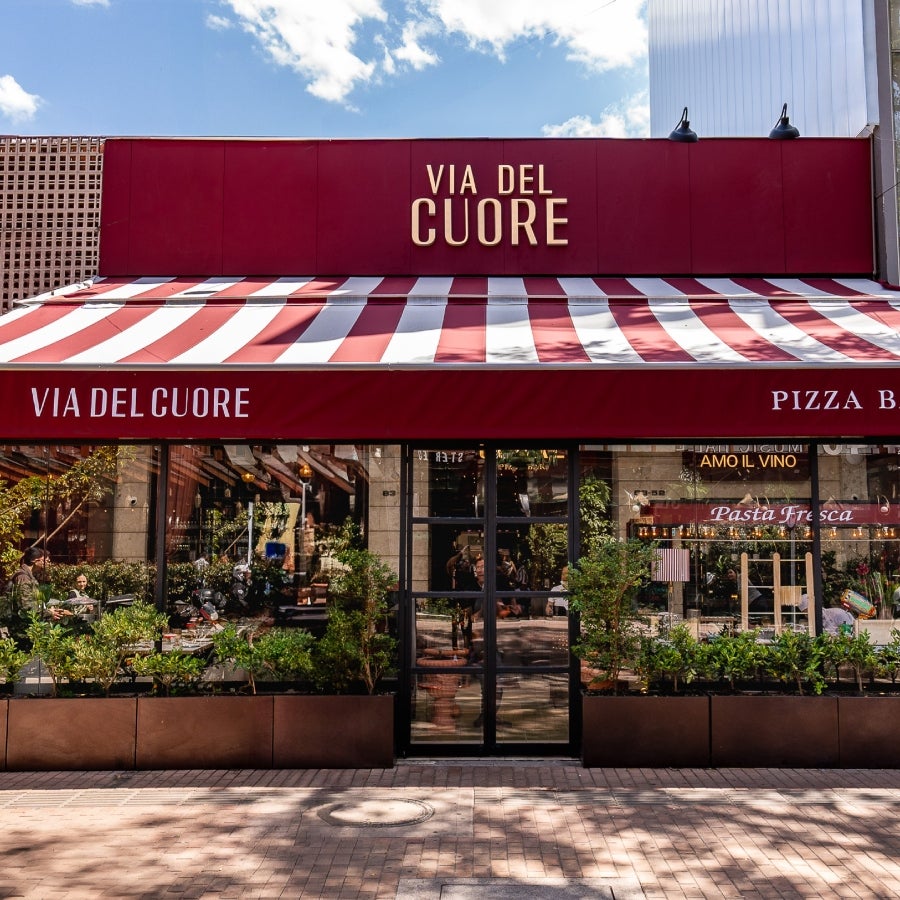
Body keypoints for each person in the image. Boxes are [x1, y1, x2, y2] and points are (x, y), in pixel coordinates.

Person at [6, 548, 48, 612]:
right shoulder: (23, 578)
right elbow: (26, 606)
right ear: (35, 561)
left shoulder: (28, 576)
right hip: (19, 621)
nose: (44, 563)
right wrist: (48, 613)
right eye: (43, 560)